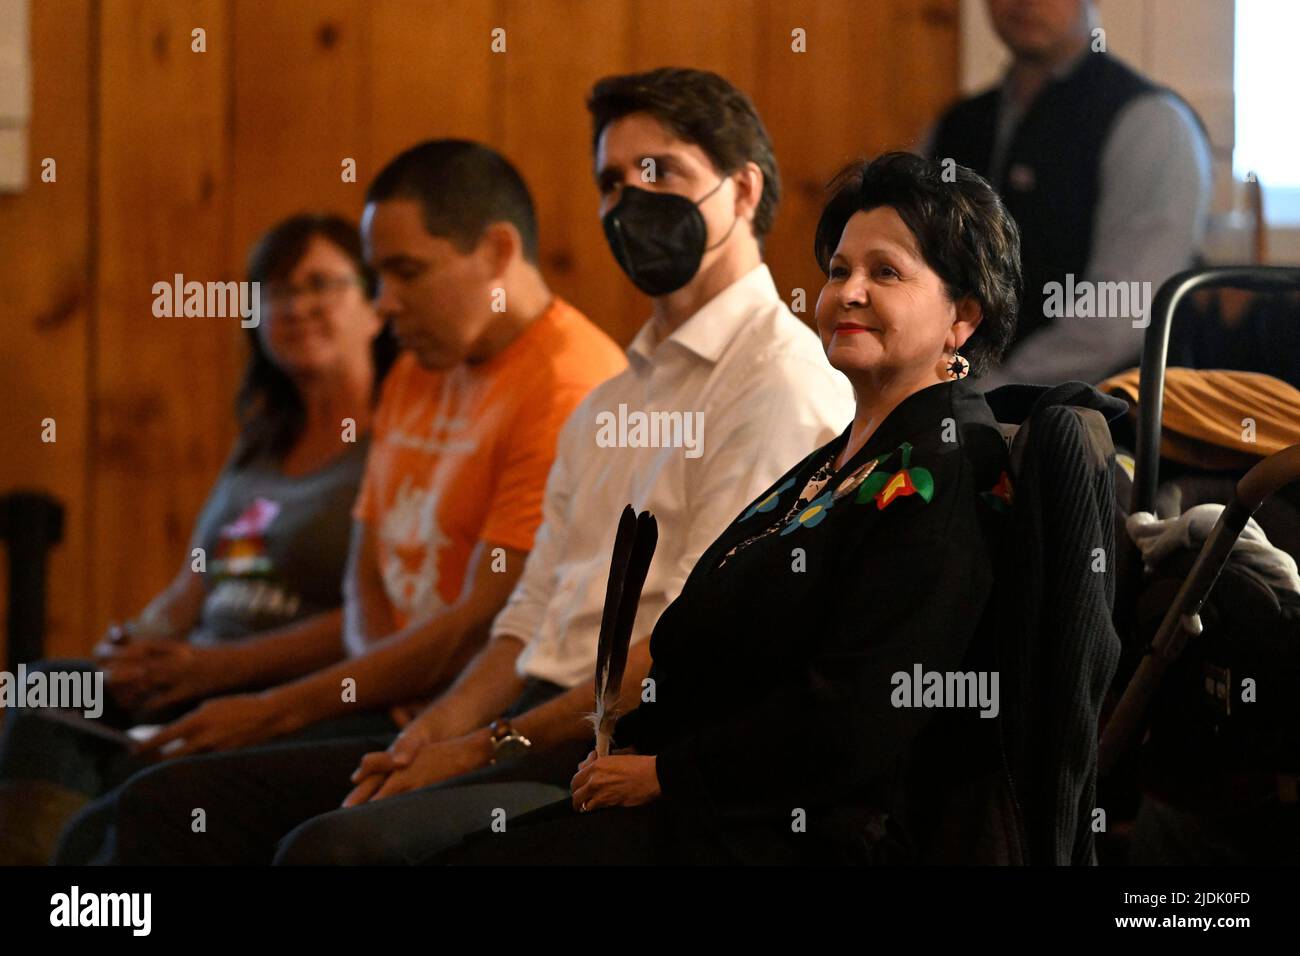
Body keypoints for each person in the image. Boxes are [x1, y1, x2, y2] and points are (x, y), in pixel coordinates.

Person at [90, 67, 854, 866]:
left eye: (659, 172)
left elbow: (686, 650)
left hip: (619, 747)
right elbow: (521, 625)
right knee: (169, 803)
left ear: (741, 192)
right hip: (528, 717)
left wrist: (489, 745)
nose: (630, 201)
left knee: (329, 851)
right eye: (610, 180)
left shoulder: (777, 383)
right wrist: (431, 734)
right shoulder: (613, 399)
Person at [430, 151, 1023, 865]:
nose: (849, 293)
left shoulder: (942, 469)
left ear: (962, 316)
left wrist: (666, 774)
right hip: (709, 794)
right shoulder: (843, 459)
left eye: (885, 273)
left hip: (805, 831)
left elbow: (864, 712)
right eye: (839, 271)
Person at [52, 140, 627, 864]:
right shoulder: (420, 366)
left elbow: (477, 622)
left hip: (469, 715)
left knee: (160, 798)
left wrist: (274, 705)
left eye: (404, 272)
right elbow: (368, 568)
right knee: (78, 799)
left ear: (497, 251)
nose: (383, 305)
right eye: (377, 275)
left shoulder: (568, 386)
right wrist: (358, 686)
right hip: (384, 697)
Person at [0, 212, 396, 865]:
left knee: (139, 783)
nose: (297, 306)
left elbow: (378, 618)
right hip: (193, 670)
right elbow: (196, 579)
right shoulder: (264, 437)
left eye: (321, 284)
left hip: (291, 692)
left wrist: (219, 669)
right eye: (275, 291)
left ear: (374, 307)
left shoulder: (399, 439)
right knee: (45, 688)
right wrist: (137, 642)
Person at [925, 0, 1211, 388]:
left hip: (1109, 423)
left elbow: (1123, 310)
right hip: (958, 408)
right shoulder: (957, 125)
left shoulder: (1150, 122)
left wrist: (992, 391)